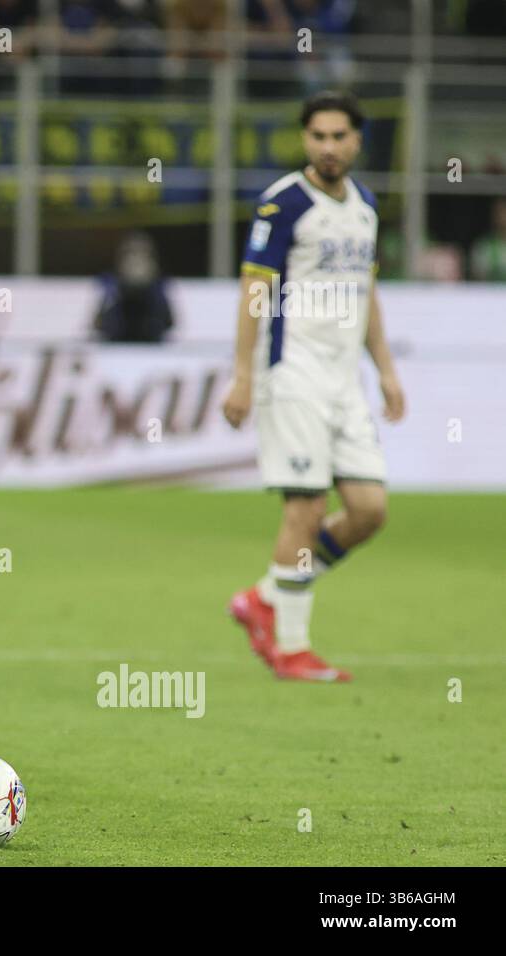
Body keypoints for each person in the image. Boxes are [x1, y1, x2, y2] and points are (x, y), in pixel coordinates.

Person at [223, 90, 406, 682]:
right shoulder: (284, 203)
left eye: (339, 136)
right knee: (304, 506)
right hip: (293, 372)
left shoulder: (366, 206)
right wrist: (244, 374)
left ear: (357, 140)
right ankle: (293, 646)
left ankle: (265, 597)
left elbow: (366, 293)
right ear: (306, 140)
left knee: (369, 510)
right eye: (317, 136)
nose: (328, 147)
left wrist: (385, 370)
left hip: (343, 381)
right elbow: (255, 290)